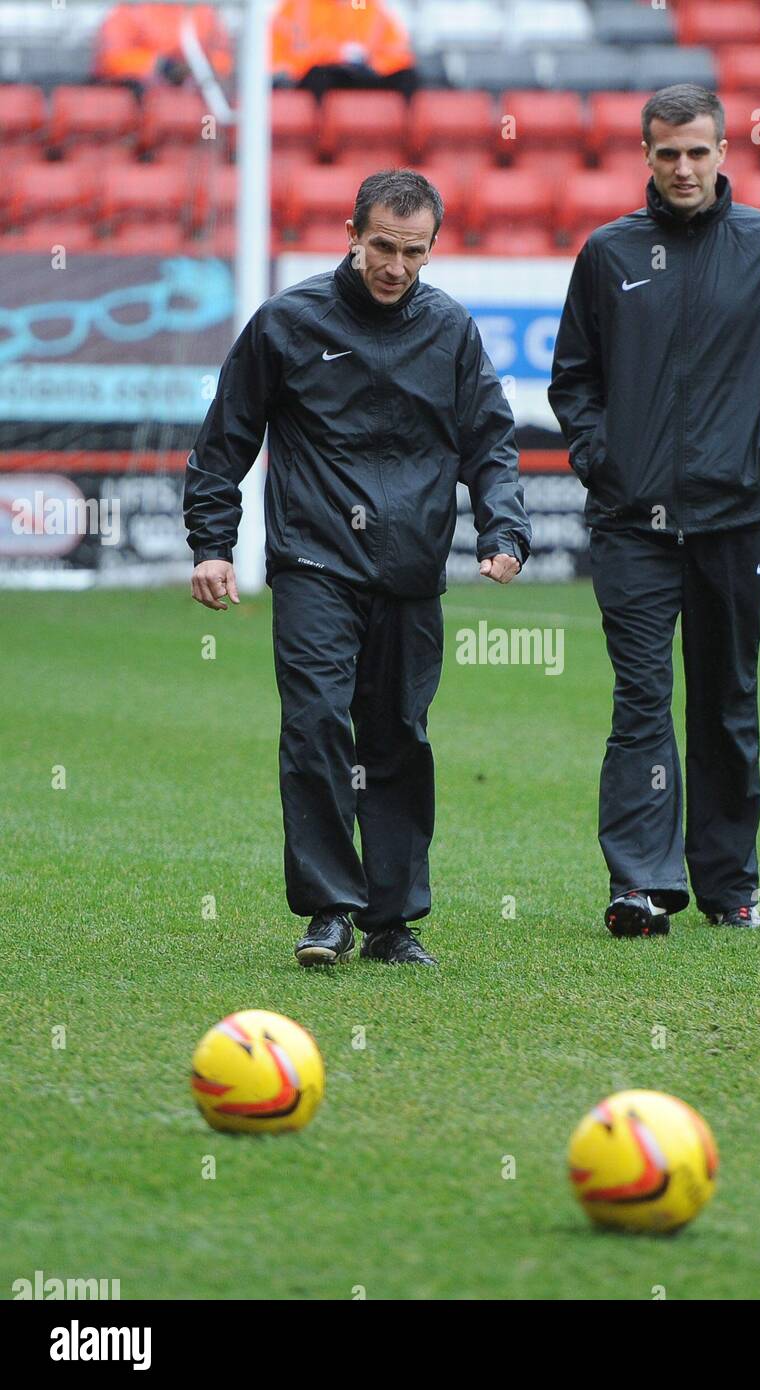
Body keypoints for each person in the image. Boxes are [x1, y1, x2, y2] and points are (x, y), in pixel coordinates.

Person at [184, 169, 530, 967]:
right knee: (313, 726)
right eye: (382, 246)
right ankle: (329, 911)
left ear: (431, 250)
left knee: (398, 739)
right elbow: (225, 440)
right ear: (352, 232)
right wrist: (211, 542)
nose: (395, 266)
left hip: (409, 567)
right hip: (314, 560)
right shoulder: (286, 322)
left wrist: (501, 527)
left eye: (414, 252)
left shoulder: (450, 330)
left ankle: (391, 922)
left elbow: (489, 442)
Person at [549, 84, 760, 938]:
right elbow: (573, 379)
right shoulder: (607, 253)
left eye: (697, 151)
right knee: (640, 698)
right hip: (629, 523)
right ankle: (640, 883)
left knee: (724, 700)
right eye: (667, 152)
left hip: (733, 516)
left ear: (723, 154)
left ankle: (727, 886)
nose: (683, 167)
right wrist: (601, 461)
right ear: (644, 156)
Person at [271, 0, 418, 99]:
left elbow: (398, 54)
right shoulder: (297, 6)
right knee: (319, 77)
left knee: (408, 78)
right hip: (318, 77)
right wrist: (335, 54)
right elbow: (278, 62)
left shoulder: (366, 5)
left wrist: (372, 66)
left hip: (365, 74)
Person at [94, 3, 231, 88]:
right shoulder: (133, 8)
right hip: (141, 99)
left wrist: (198, 68)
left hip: (198, 99)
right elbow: (111, 58)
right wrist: (161, 65)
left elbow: (224, 60)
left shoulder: (203, 11)